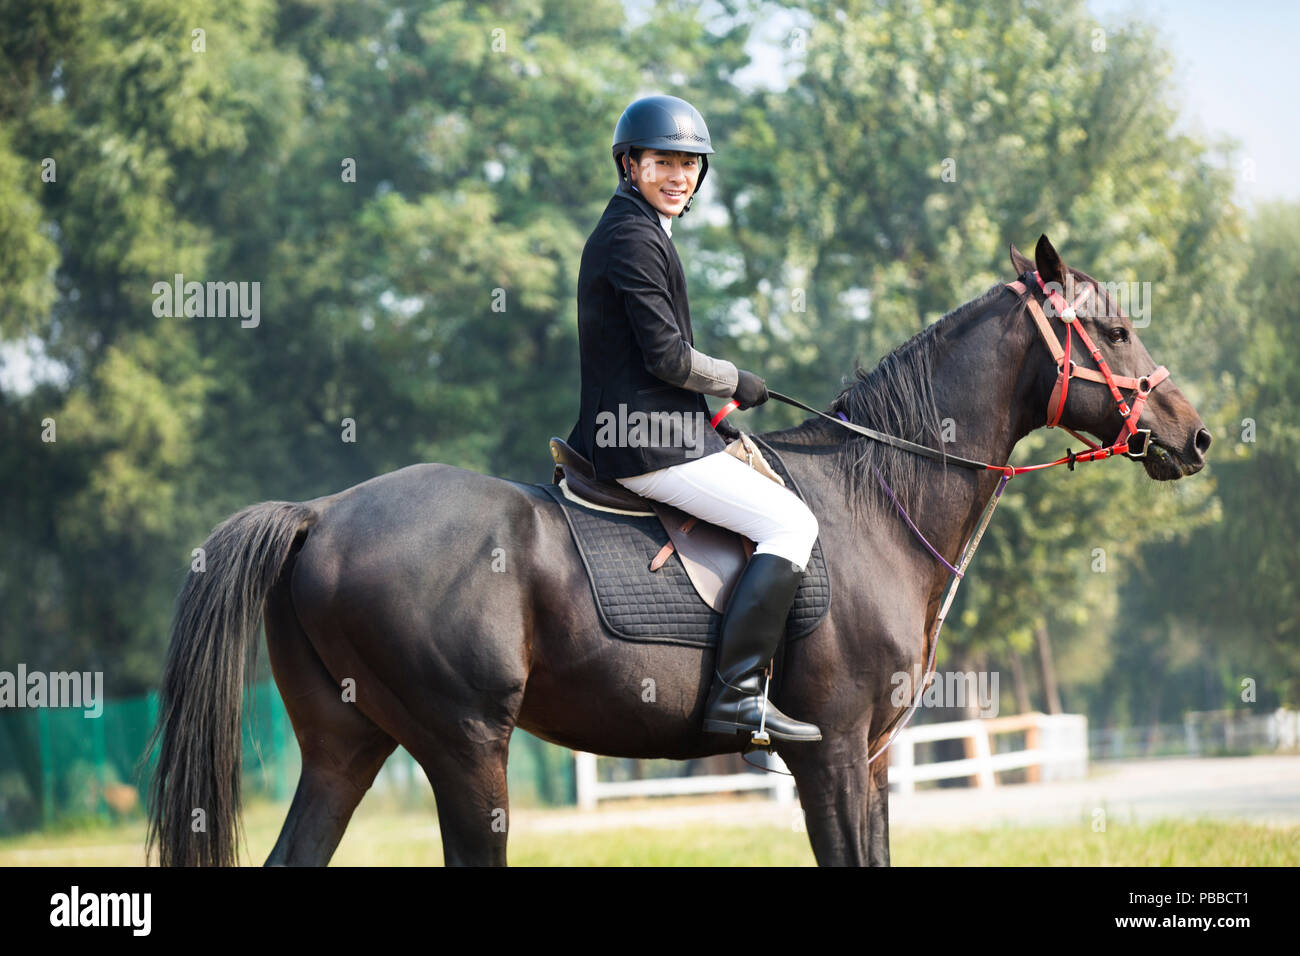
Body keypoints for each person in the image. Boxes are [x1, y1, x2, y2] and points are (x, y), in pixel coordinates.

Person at [567, 94, 821, 744]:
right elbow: (669, 358)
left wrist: (714, 415)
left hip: (656, 429)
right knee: (791, 522)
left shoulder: (643, 230)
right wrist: (738, 380)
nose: (679, 177)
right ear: (630, 164)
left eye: (690, 164)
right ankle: (738, 697)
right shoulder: (630, 238)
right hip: (645, 445)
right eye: (663, 163)